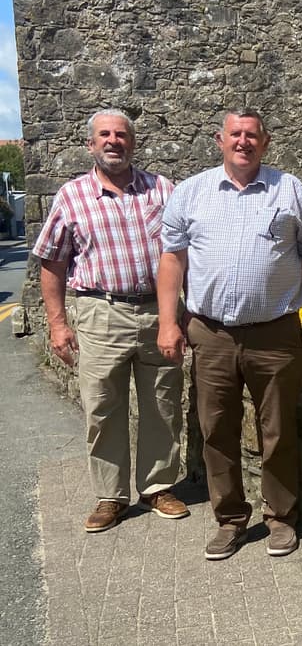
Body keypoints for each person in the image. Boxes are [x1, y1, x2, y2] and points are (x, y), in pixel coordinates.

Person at [156, 109, 302, 560]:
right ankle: (230, 520)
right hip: (210, 334)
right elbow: (172, 261)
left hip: (275, 334)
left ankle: (280, 519)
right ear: (220, 140)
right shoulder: (191, 193)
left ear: (265, 142)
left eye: (251, 135)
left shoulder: (289, 189)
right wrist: (168, 321)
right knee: (216, 430)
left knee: (277, 430)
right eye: (235, 134)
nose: (243, 142)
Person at [32, 108, 190, 532]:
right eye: (105, 135)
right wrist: (58, 323)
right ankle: (111, 495)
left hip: (159, 311)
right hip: (100, 312)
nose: (113, 141)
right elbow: (52, 263)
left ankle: (157, 486)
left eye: (121, 135)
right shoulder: (72, 196)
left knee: (162, 401)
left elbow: (185, 249)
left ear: (132, 143)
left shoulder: (163, 190)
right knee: (102, 405)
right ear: (91, 144)